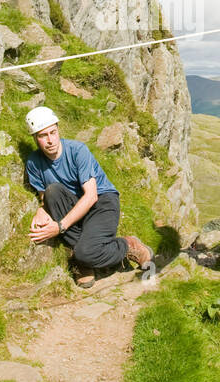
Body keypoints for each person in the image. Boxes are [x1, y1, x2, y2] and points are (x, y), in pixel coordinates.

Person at [23, 106, 152, 286]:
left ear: (58, 129)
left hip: (102, 202)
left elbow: (91, 196)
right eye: (43, 136)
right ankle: (84, 255)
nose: (50, 140)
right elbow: (46, 196)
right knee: (53, 191)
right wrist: (41, 209)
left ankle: (127, 246)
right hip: (75, 206)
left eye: (53, 132)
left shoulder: (77, 151)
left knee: (85, 252)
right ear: (35, 138)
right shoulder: (34, 162)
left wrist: (59, 227)